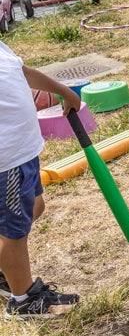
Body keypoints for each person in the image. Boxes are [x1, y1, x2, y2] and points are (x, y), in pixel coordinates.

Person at [0, 41, 81, 318]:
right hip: (6, 160)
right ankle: (23, 301)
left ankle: (6, 268)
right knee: (14, 232)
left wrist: (63, 91)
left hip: (24, 150)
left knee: (35, 206)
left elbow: (22, 71)